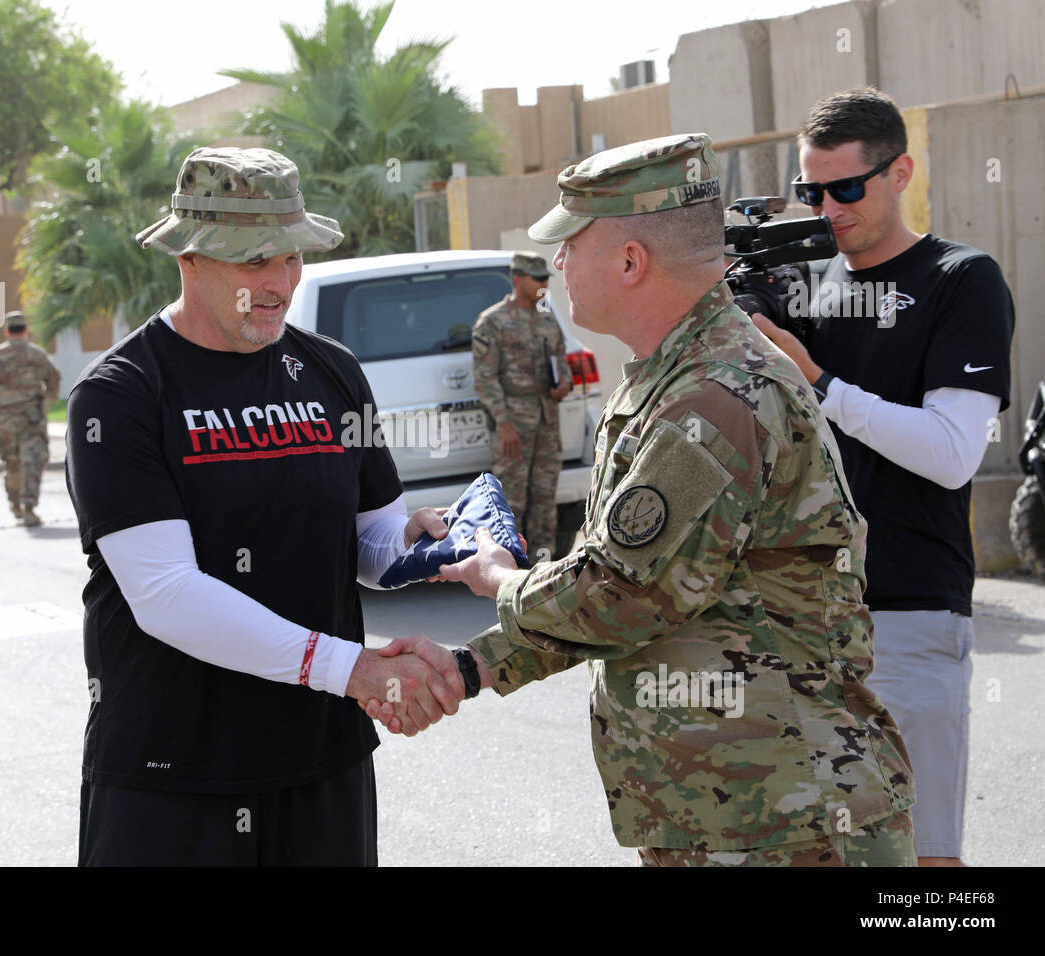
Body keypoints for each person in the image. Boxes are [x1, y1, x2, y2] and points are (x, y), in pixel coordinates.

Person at [374, 133, 917, 866]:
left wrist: (499, 578)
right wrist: (470, 667)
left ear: (631, 262)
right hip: (730, 814)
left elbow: (618, 594)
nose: (558, 262)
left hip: (789, 823)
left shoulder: (714, 395)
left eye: (571, 243)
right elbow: (628, 592)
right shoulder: (669, 380)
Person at [64, 146, 461, 867]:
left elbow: (369, 539)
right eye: (253, 261)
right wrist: (353, 669)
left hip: (321, 760)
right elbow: (167, 595)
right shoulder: (120, 395)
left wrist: (422, 546)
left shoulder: (333, 371)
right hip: (173, 775)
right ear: (188, 256)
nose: (279, 283)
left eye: (292, 257)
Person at [752, 87, 1015, 867]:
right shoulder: (799, 286)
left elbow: (951, 452)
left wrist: (819, 382)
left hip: (906, 608)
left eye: (846, 188)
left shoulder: (961, 279)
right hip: (796, 616)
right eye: (811, 192)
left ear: (900, 173)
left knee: (919, 858)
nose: (827, 210)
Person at [472, 251, 573, 560]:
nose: (544, 284)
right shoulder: (493, 322)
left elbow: (562, 364)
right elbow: (485, 378)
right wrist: (503, 424)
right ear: (517, 279)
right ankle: (508, 566)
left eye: (546, 278)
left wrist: (565, 384)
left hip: (547, 423)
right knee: (510, 502)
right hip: (513, 426)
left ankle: (543, 567)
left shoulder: (547, 320)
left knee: (545, 501)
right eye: (537, 278)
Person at [0, 311, 61, 526]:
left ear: (7, 331)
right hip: (33, 418)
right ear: (26, 330)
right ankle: (29, 508)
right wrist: (44, 406)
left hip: (7, 419)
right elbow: (54, 381)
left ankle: (15, 503)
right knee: (32, 461)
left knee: (12, 462)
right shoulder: (38, 355)